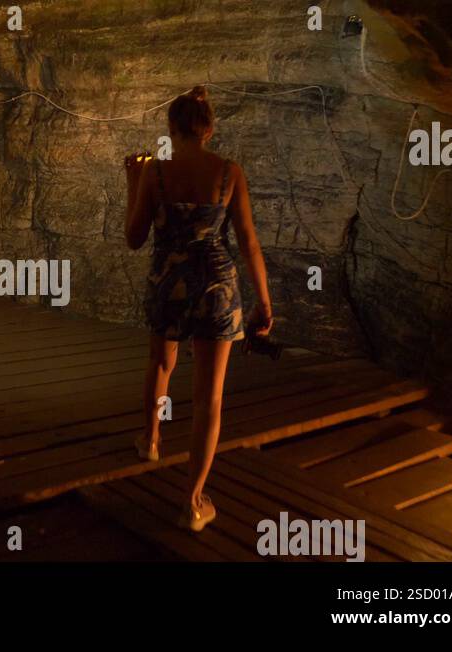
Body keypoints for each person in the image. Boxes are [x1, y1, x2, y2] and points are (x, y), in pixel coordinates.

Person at [123, 85, 273, 532]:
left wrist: (134, 181)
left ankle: (150, 438)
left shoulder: (156, 173)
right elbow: (248, 244)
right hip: (215, 285)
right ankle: (192, 502)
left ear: (171, 127)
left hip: (169, 281)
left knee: (160, 361)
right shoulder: (229, 172)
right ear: (209, 129)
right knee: (210, 397)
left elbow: (134, 239)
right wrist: (263, 302)